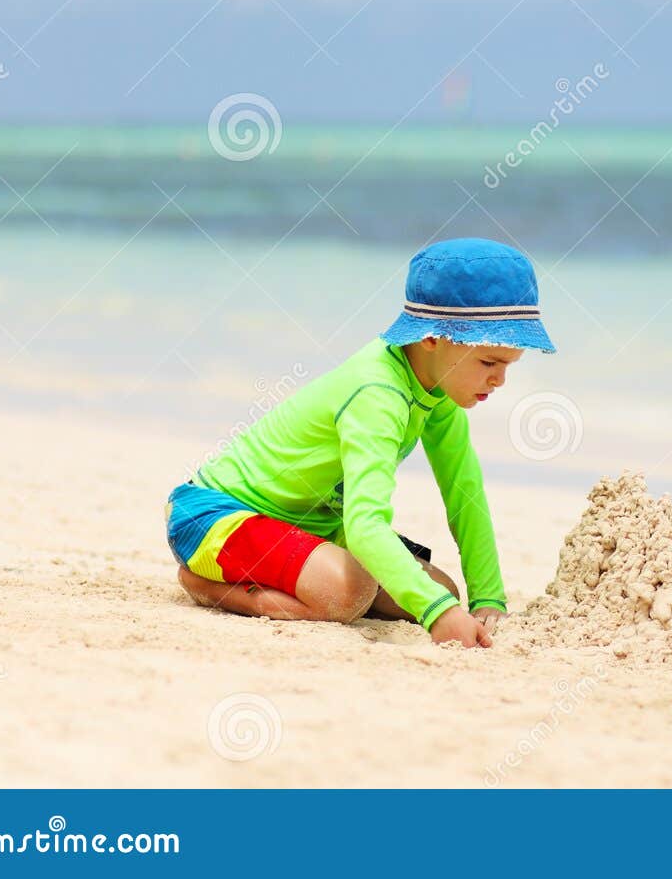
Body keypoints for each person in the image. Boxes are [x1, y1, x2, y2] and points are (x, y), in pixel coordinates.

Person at [164, 237, 554, 648]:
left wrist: (486, 596)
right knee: (348, 595)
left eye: (509, 364)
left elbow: (464, 493)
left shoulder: (437, 388)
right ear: (432, 339)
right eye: (489, 363)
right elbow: (366, 523)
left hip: (311, 527)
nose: (499, 380)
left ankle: (303, 571)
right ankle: (209, 584)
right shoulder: (377, 391)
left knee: (443, 588)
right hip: (217, 516)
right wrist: (437, 614)